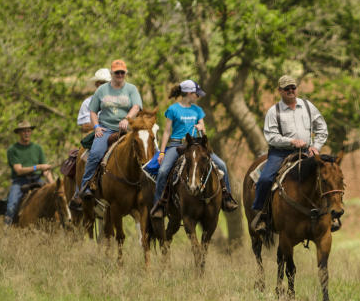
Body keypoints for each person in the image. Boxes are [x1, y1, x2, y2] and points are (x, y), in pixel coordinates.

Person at [250, 74, 328, 233]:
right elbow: (271, 137)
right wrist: (291, 141)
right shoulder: (274, 111)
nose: (291, 91)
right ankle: (262, 214)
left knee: (329, 175)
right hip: (280, 153)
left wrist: (316, 147)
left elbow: (322, 129)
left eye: (293, 87)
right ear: (280, 90)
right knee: (265, 179)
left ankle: (329, 215)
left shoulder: (307, 106)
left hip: (306, 152)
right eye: (287, 88)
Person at [151, 80, 239, 218]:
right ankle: (159, 205)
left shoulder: (198, 110)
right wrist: (162, 152)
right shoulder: (173, 109)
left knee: (222, 165)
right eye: (196, 94)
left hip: (196, 145)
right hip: (176, 145)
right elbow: (167, 132)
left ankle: (226, 198)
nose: (198, 96)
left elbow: (204, 132)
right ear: (188, 93)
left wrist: (201, 129)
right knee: (162, 171)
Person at [71, 59, 143, 210]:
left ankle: (151, 188)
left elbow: (136, 106)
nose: (120, 75)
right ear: (112, 74)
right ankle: (85, 187)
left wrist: (127, 118)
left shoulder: (131, 89)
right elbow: (92, 111)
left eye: (122, 72)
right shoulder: (102, 91)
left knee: (145, 150)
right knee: (96, 153)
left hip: (127, 129)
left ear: (125, 73)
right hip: (107, 128)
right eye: (117, 72)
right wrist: (96, 126)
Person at [5, 120, 53, 226]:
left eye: (28, 131)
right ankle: (6, 231)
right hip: (20, 181)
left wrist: (53, 184)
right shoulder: (13, 149)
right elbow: (19, 170)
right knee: (11, 206)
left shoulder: (38, 148)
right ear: (19, 133)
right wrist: (38, 167)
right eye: (23, 131)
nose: (26, 133)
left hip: (37, 179)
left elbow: (46, 171)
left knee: (54, 200)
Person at [77, 68, 112, 135]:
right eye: (102, 83)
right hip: (99, 134)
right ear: (96, 84)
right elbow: (85, 126)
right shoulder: (87, 103)